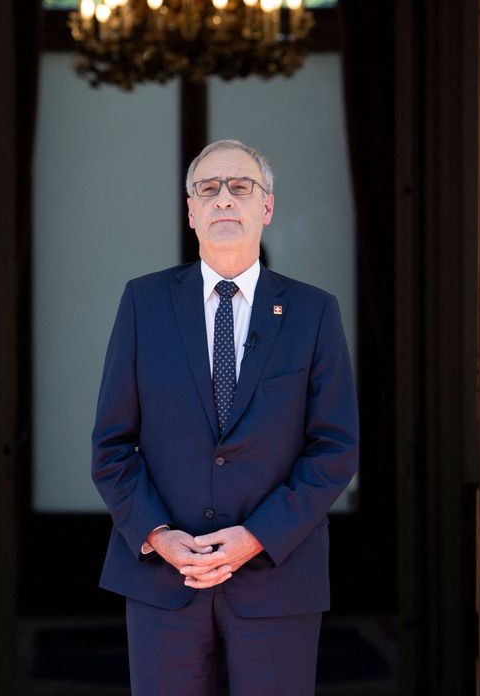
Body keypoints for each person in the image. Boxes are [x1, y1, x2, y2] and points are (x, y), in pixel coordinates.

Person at [91, 140, 360, 695]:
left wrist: (257, 536)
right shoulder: (143, 303)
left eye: (240, 187)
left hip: (277, 580)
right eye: (207, 189)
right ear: (190, 211)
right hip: (164, 581)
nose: (223, 200)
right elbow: (112, 445)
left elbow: (335, 448)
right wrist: (159, 536)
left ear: (268, 206)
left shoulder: (313, 312)